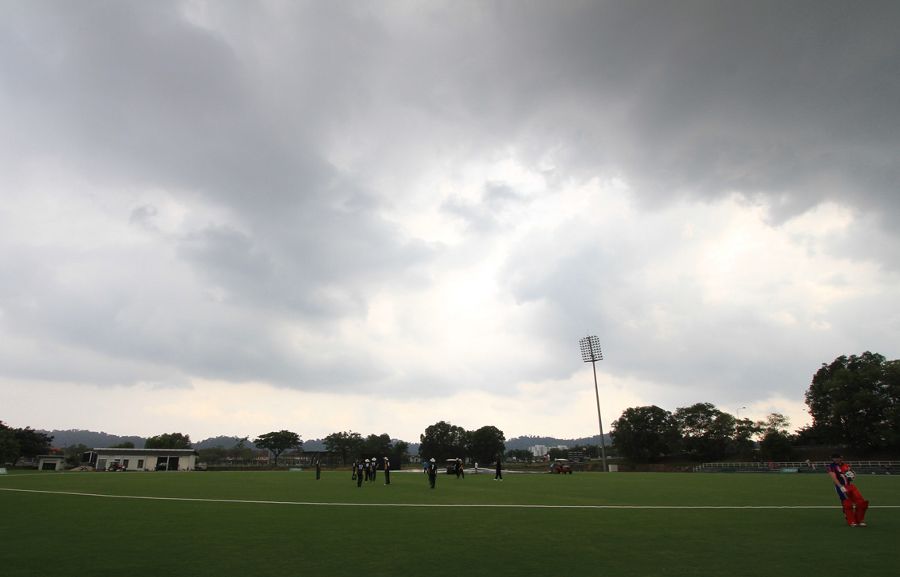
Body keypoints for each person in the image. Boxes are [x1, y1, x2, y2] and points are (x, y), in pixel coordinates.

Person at [827, 453, 869, 527]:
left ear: (841, 458)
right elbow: (834, 478)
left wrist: (853, 476)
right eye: (834, 458)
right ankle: (851, 520)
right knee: (847, 503)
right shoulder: (831, 466)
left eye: (837, 458)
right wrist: (840, 487)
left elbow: (852, 474)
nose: (835, 459)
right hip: (841, 486)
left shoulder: (846, 465)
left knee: (861, 502)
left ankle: (860, 520)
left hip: (849, 486)